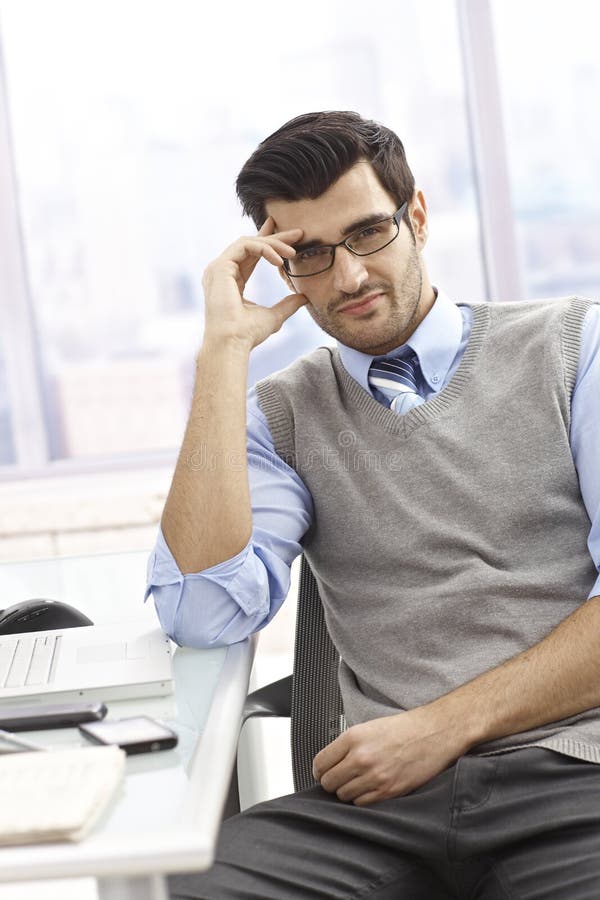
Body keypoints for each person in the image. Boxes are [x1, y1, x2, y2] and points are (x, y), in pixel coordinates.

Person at [146, 111, 600, 899]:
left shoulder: (573, 350)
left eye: (367, 234)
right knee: (182, 888)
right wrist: (223, 352)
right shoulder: (282, 417)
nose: (348, 277)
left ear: (416, 216)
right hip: (378, 809)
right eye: (311, 255)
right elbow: (204, 614)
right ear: (280, 267)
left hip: (574, 780)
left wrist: (442, 726)